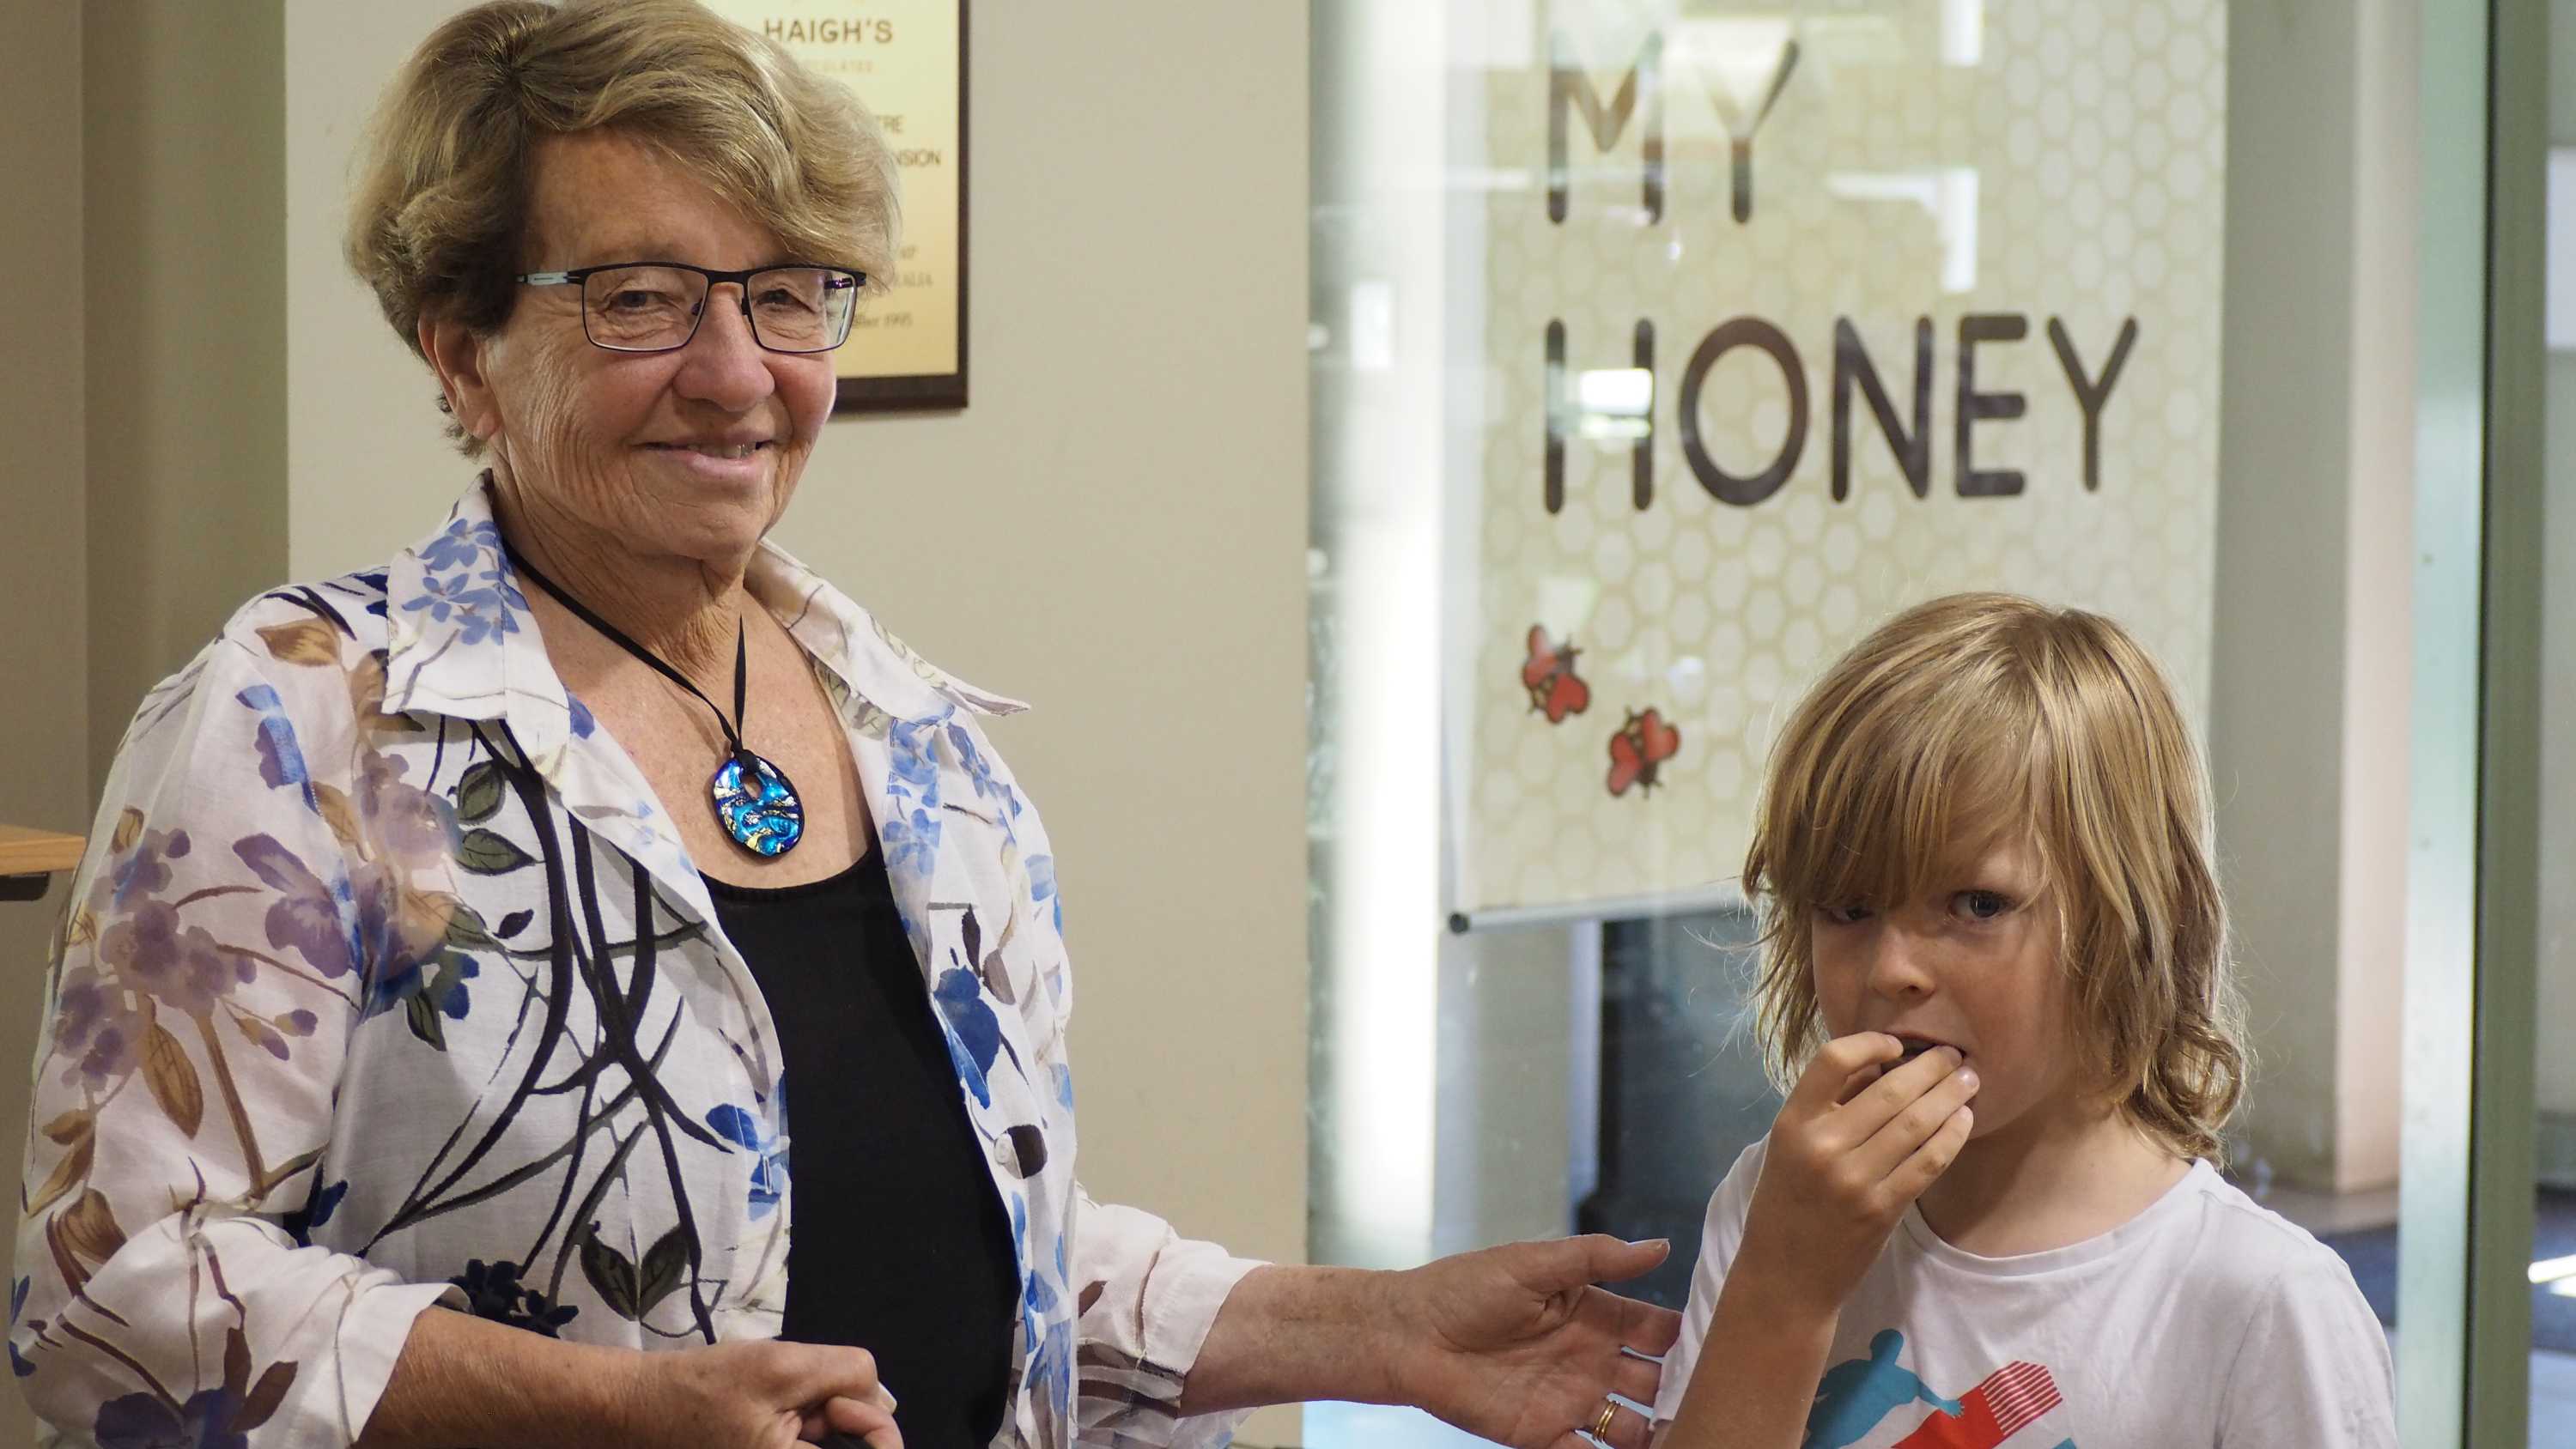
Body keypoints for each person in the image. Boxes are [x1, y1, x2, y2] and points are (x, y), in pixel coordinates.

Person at [9, 4, 1678, 1446]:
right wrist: (613, 1410)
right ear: (462, 348)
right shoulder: (304, 724)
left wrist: (1371, 1330)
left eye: (789, 294)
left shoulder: (931, 751)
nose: (739, 374)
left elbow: (986, 1247)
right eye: (644, 297)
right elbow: (113, 1291)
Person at [1652, 594, 2397, 1449]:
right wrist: (1782, 1292)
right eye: (1848, 906)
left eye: (1976, 903)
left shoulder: (2260, 1302)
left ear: (2127, 921)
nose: (1893, 967)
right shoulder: (1774, 1203)